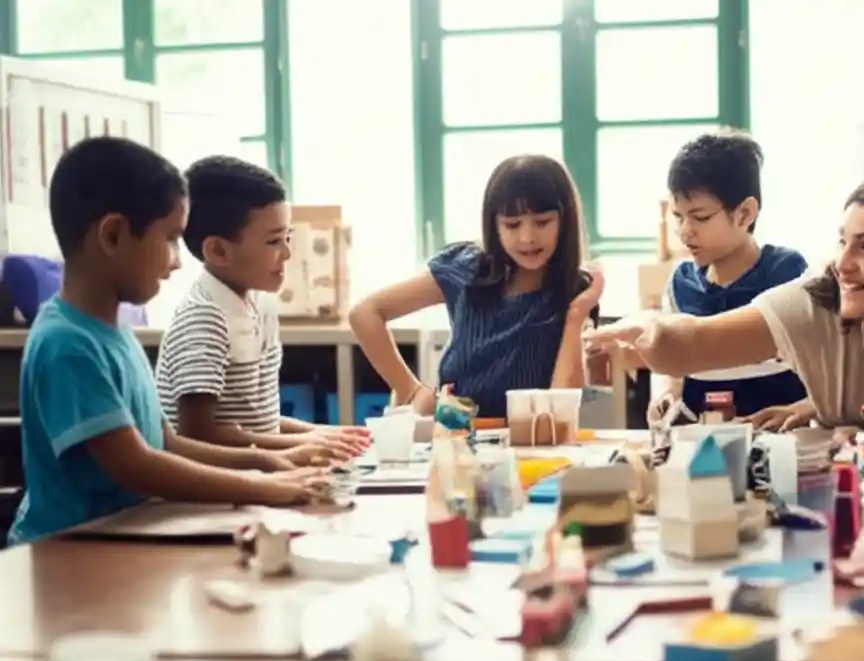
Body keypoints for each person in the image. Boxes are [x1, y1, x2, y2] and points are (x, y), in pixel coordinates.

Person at [9, 138, 326, 545]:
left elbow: (167, 443)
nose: (178, 260)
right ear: (113, 235)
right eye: (171, 239)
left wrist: (265, 462)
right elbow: (138, 465)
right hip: (66, 552)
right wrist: (265, 486)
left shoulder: (114, 332)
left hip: (120, 538)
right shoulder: (67, 345)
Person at [587, 170, 864, 428]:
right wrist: (644, 332)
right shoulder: (817, 300)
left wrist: (823, 416)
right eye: (843, 242)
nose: (843, 263)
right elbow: (694, 342)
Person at [349, 155, 603, 419]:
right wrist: (410, 391)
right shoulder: (466, 269)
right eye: (512, 225)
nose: (527, 238)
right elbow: (365, 312)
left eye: (542, 222)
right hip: (456, 435)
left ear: (565, 222)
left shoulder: (575, 291)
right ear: (494, 225)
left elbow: (560, 412)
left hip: (531, 442)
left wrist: (577, 315)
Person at [154, 156, 367, 458]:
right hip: (212, 488)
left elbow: (259, 424)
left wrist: (325, 434)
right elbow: (198, 435)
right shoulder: (204, 318)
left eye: (288, 237)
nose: (288, 253)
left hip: (256, 476)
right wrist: (299, 447)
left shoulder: (261, 304)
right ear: (218, 250)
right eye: (274, 241)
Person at [649, 130, 807, 422]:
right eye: (679, 216)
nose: (685, 231)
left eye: (700, 217)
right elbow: (673, 369)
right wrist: (667, 394)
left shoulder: (789, 273)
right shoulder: (680, 284)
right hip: (703, 444)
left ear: (745, 214)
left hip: (782, 439)